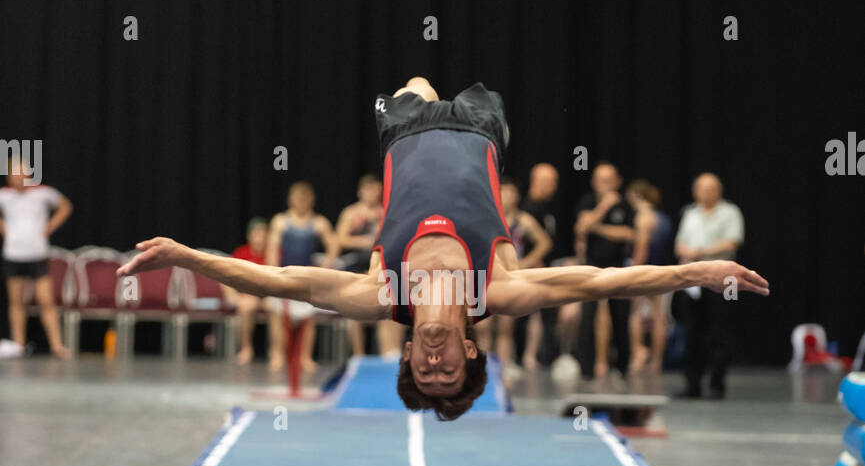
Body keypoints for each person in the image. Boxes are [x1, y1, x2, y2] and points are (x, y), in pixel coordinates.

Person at [117, 79, 769, 421]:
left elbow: (280, 280)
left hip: (404, 134)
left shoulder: (380, 294)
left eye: (424, 374)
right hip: (481, 132)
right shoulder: (499, 291)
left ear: (405, 354)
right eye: (447, 373)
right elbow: (603, 281)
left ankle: (413, 90)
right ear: (468, 352)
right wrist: (698, 269)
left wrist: (186, 255)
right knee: (481, 93)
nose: (433, 366)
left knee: (411, 82)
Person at [674, 172, 746, 398]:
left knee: (719, 331)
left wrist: (702, 252)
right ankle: (692, 384)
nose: (706, 193)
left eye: (711, 188)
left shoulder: (730, 212)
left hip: (722, 280)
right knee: (692, 332)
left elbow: (733, 241)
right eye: (702, 188)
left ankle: (716, 384)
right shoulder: (690, 213)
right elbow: (680, 244)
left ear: (719, 191)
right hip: (694, 280)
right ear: (696, 191)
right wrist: (686, 253)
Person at [0, 161, 73, 358]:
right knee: (16, 302)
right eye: (14, 174)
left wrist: (50, 226)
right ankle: (18, 344)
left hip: (36, 254)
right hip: (13, 255)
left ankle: (56, 345)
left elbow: (65, 205)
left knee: (46, 300)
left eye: (21, 173)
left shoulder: (43, 193)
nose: (18, 178)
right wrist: (4, 228)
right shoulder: (4, 195)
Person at [480, 177, 551, 376]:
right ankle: (484, 362)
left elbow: (545, 242)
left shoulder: (523, 220)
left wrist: (527, 262)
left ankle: (503, 363)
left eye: (511, 193)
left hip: (510, 274)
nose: (507, 197)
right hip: (487, 275)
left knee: (505, 325)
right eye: (503, 192)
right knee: (483, 325)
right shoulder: (486, 218)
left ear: (517, 197)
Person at [265, 182, 336, 374]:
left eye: (305, 199)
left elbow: (333, 245)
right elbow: (272, 248)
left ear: (311, 201)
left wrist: (325, 268)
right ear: (291, 199)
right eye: (298, 198)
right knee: (278, 315)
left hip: (307, 276)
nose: (301, 203)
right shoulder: (280, 221)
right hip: (285, 273)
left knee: (308, 318)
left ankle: (305, 356)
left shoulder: (319, 222)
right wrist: (273, 273)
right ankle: (278, 354)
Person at [575, 163, 635, 378]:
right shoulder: (588, 201)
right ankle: (587, 369)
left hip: (618, 268)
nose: (605, 185)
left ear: (617, 181)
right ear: (593, 181)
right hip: (591, 267)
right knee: (587, 316)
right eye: (601, 180)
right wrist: (603, 208)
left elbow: (629, 234)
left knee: (620, 315)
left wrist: (597, 227)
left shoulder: (625, 204)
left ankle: (621, 367)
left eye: (609, 180)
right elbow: (581, 228)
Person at [332, 174, 401, 358]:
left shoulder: (387, 212)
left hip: (380, 267)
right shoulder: (351, 213)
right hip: (355, 266)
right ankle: (359, 353)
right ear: (361, 192)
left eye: (375, 190)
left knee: (391, 302)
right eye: (368, 190)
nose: (372, 194)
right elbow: (339, 239)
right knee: (356, 307)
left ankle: (389, 351)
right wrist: (365, 240)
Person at [626, 180, 674, 373]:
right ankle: (657, 361)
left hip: (646, 271)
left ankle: (638, 353)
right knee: (660, 317)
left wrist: (633, 271)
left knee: (636, 315)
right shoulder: (662, 217)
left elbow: (642, 249)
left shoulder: (643, 216)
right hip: (662, 271)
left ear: (635, 196)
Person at [518, 163, 559, 370]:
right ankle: (528, 356)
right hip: (528, 274)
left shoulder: (545, 210)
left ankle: (539, 356)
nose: (554, 187)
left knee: (542, 315)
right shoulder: (527, 211)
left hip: (542, 271)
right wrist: (530, 262)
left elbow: (546, 242)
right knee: (530, 314)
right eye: (551, 182)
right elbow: (526, 242)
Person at [220, 218, 275, 365]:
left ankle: (277, 352)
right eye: (256, 235)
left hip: (270, 295)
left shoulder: (274, 253)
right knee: (246, 306)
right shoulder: (241, 252)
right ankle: (246, 349)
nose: (259, 239)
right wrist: (232, 295)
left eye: (263, 235)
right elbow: (223, 274)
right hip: (249, 295)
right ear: (249, 236)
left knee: (277, 308)